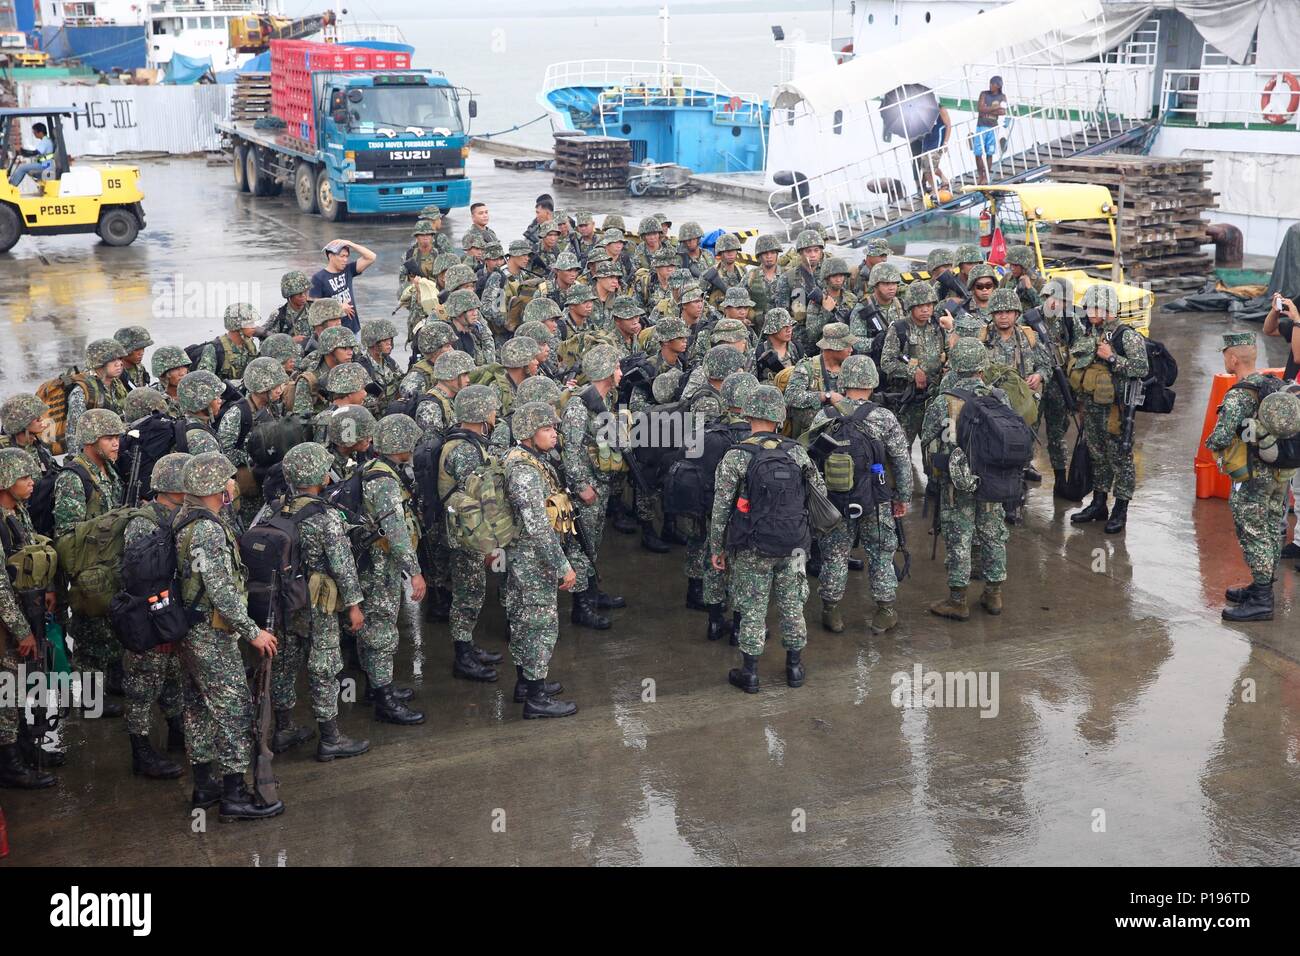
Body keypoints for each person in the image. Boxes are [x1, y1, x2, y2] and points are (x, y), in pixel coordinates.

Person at [172, 452, 282, 820]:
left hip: (190, 632)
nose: (233, 484)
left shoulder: (183, 519)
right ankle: (234, 795)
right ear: (217, 487)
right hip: (211, 635)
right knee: (235, 712)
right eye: (228, 480)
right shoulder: (207, 529)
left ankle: (205, 786)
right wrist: (254, 633)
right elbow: (220, 591)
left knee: (198, 709)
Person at [710, 385, 822, 693]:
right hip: (795, 544)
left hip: (752, 544)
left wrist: (716, 548)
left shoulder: (736, 456)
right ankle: (795, 669)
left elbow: (720, 508)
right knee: (793, 604)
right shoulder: (797, 452)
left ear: (747, 414)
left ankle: (751, 674)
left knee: (753, 607)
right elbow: (819, 496)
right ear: (780, 417)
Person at [276, 442, 371, 761]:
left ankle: (283, 728)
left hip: (288, 598)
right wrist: (355, 605)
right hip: (319, 598)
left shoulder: (279, 507)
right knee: (324, 664)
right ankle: (330, 737)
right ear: (319, 475)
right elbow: (342, 565)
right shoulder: (326, 516)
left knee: (286, 663)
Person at [1206, 333, 1300, 622]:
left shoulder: (1238, 394)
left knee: (1254, 532)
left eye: (1225, 355)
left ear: (1233, 358)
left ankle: (1261, 600)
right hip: (1280, 473)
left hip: (1252, 477)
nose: (1225, 359)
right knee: (1272, 528)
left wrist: (1212, 444)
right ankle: (1262, 586)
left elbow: (1221, 436)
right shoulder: (1273, 384)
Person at [923, 340, 1011, 620]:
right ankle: (994, 594)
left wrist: (935, 475)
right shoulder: (998, 396)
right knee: (993, 535)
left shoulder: (943, 400)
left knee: (960, 537)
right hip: (992, 481)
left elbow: (927, 441)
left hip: (954, 483)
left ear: (956, 366)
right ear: (982, 366)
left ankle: (958, 600)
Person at [503, 401, 579, 718]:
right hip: (532, 561)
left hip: (526, 559)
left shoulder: (529, 461)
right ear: (528, 434)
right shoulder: (525, 472)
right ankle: (536, 699)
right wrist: (563, 566)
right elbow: (537, 526)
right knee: (539, 626)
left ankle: (527, 684)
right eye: (546, 429)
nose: (554, 434)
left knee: (525, 621)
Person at [120, 453, 190, 780]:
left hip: (172, 615)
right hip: (149, 619)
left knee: (174, 678)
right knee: (142, 688)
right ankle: (141, 751)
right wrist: (158, 624)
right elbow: (141, 578)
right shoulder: (144, 522)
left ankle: (177, 731)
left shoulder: (180, 514)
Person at [52, 408, 127, 715]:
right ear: (91, 441)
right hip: (90, 570)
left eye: (117, 437)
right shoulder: (74, 478)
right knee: (90, 637)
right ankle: (90, 700)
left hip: (112, 565)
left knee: (111, 630)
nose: (116, 443)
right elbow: (66, 535)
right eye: (109, 438)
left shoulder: (109, 471)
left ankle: (112, 683)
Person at [357, 414, 427, 725]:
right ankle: (384, 699)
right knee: (382, 630)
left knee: (376, 628)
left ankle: (377, 686)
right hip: (379, 567)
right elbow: (395, 529)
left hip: (377, 564)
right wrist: (414, 572)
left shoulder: (377, 470)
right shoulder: (384, 481)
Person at [437, 385, 506, 683]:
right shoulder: (465, 451)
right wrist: (490, 545)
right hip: (467, 535)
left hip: (467, 532)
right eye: (492, 408)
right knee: (468, 594)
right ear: (481, 414)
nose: (495, 413)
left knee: (472, 592)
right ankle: (463, 657)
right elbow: (474, 505)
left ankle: (468, 646)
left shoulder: (466, 441)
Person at [0, 447, 59, 789]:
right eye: (23, 477)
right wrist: (22, 631)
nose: (32, 482)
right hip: (9, 623)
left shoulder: (17, 512)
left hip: (27, 610)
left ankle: (23, 748)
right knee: (8, 691)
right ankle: (9, 762)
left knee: (23, 685)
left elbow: (34, 548)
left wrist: (47, 586)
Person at [1068, 284, 1148, 534]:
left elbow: (1141, 369)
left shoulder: (1126, 336)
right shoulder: (1092, 331)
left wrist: (1112, 357)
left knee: (1120, 460)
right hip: (1093, 406)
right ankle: (1099, 503)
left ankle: (1120, 510)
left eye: (1094, 307)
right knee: (1097, 456)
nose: (1089, 312)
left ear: (1108, 308)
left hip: (1117, 409)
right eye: (1088, 306)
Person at [311, 239, 377, 333]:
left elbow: (371, 257)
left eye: (347, 256)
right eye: (342, 256)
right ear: (331, 256)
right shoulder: (318, 278)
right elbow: (314, 307)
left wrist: (350, 243)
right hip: (334, 332)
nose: (345, 260)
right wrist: (338, 307)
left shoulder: (348, 270)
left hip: (354, 329)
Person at [973, 75, 1007, 184]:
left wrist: (987, 110)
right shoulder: (984, 94)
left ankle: (986, 176)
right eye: (990, 84)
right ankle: (980, 176)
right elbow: (980, 109)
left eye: (992, 84)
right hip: (981, 125)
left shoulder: (1002, 96)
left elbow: (1003, 112)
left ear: (998, 86)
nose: (990, 86)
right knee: (978, 152)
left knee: (990, 152)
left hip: (993, 126)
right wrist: (995, 108)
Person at [8, 121, 54, 186]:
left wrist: (22, 151)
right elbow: (35, 152)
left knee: (22, 168)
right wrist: (23, 152)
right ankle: (13, 185)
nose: (34, 134)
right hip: (44, 164)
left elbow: (35, 153)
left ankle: (11, 187)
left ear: (40, 132)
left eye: (34, 132)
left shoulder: (45, 142)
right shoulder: (46, 140)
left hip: (45, 165)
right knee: (23, 166)